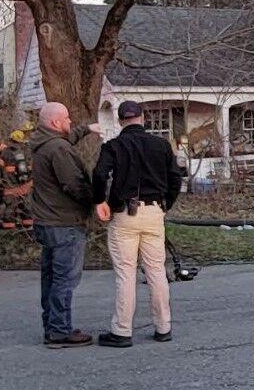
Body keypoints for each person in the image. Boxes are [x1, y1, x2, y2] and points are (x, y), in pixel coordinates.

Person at [91, 100, 183, 347]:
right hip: (154, 211)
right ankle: (163, 327)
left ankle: (122, 330)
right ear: (142, 119)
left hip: (124, 213)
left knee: (126, 273)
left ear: (121, 121)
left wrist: (100, 200)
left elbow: (99, 174)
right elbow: (176, 178)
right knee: (156, 271)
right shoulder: (161, 145)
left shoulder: (114, 146)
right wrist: (166, 204)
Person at [27, 102, 102, 349]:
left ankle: (52, 325)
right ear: (55, 123)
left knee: (50, 277)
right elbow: (74, 183)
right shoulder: (59, 149)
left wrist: (88, 129)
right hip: (64, 222)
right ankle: (60, 331)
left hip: (47, 221)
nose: (70, 122)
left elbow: (67, 138)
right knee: (64, 279)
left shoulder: (43, 143)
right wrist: (95, 200)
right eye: (67, 118)